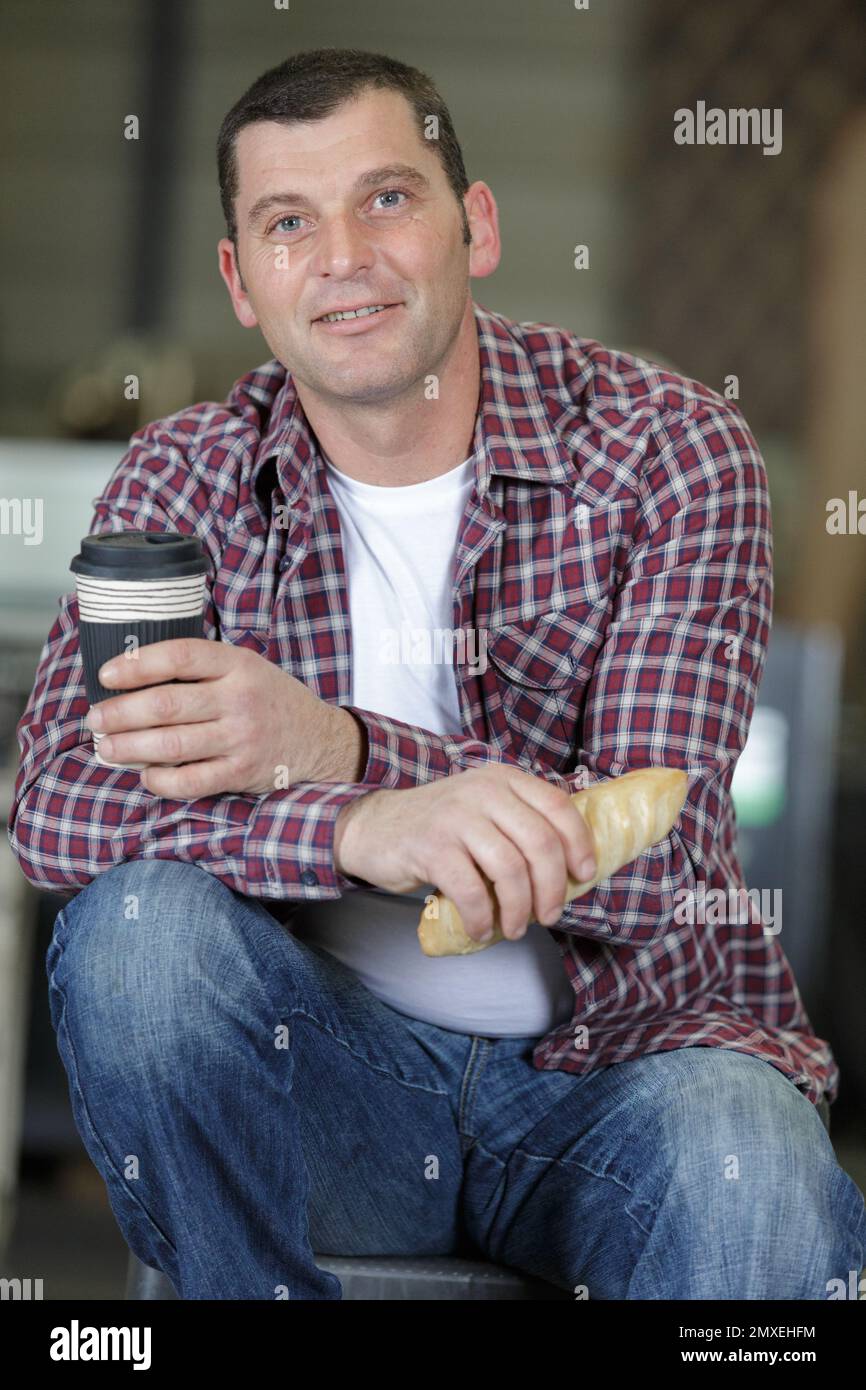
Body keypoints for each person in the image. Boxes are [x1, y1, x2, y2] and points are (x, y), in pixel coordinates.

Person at [9, 47, 866, 1300]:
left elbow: (645, 854)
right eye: (288, 223)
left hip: (624, 1081)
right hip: (331, 1085)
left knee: (755, 1175)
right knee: (137, 936)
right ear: (242, 282)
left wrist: (337, 746)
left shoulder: (668, 450)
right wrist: (359, 822)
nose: (343, 256)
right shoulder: (181, 482)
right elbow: (58, 809)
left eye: (387, 199)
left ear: (475, 225)